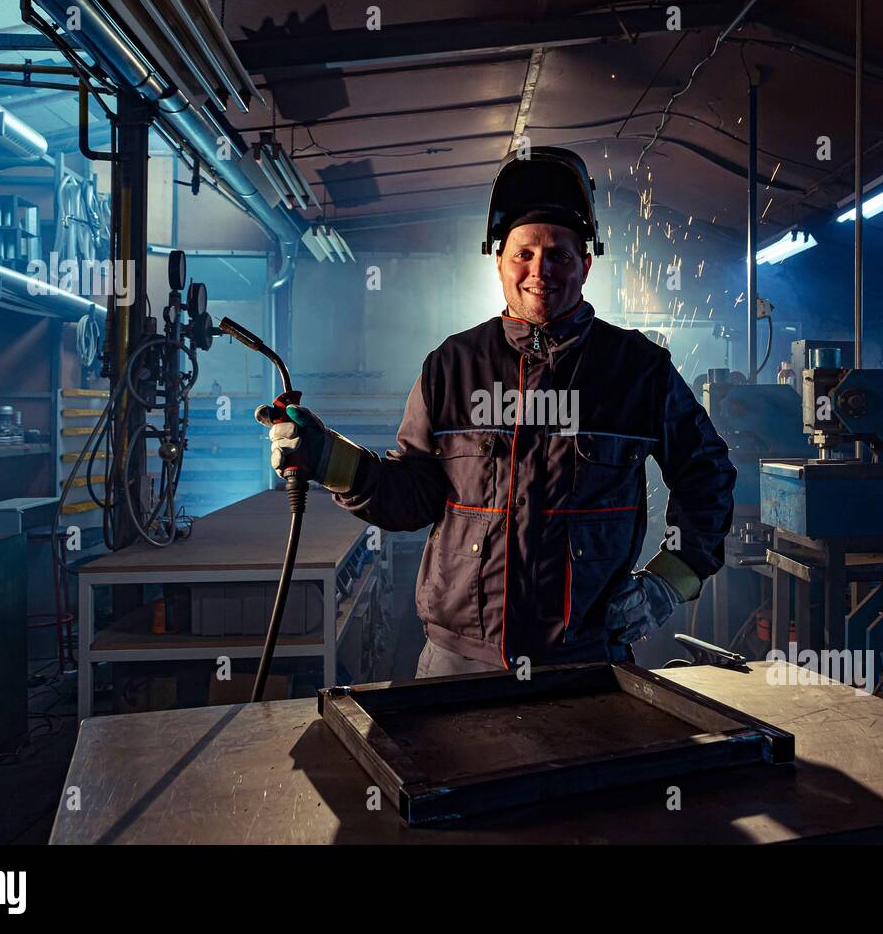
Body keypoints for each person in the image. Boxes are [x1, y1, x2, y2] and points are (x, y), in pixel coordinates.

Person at [259, 147, 735, 678]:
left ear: (586, 264)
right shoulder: (452, 366)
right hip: (459, 659)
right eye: (524, 254)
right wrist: (327, 458)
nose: (541, 271)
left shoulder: (638, 370)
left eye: (559, 254)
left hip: (587, 660)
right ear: (499, 263)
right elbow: (413, 497)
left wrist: (670, 580)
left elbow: (707, 475)